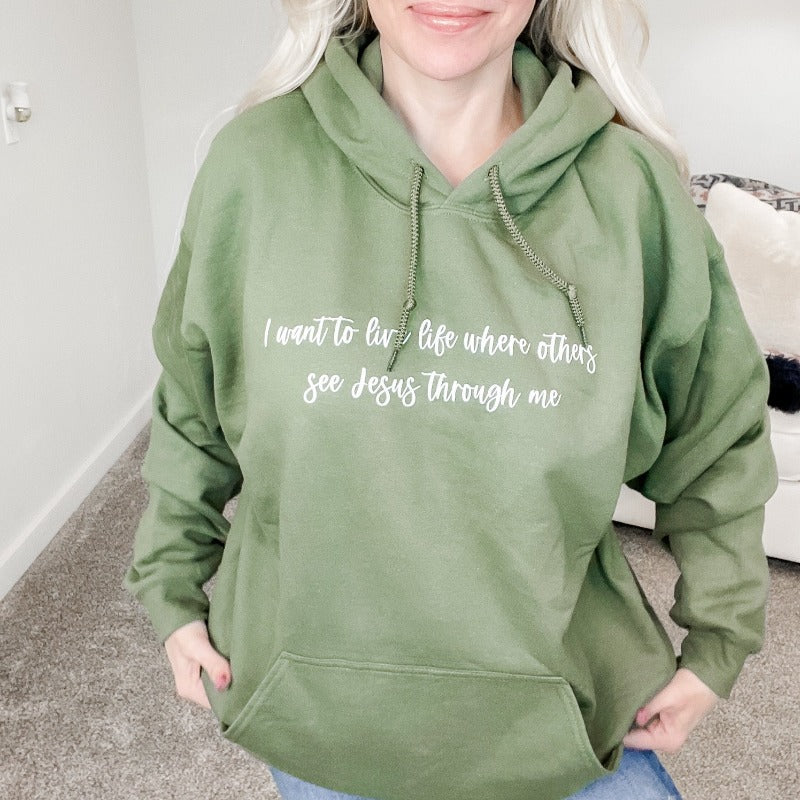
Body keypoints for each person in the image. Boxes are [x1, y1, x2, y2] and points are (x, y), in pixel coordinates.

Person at [126, 0, 778, 798]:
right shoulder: (254, 168)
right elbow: (192, 408)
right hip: (319, 716)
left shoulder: (631, 190)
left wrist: (719, 641)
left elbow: (714, 437)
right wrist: (170, 586)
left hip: (558, 714)